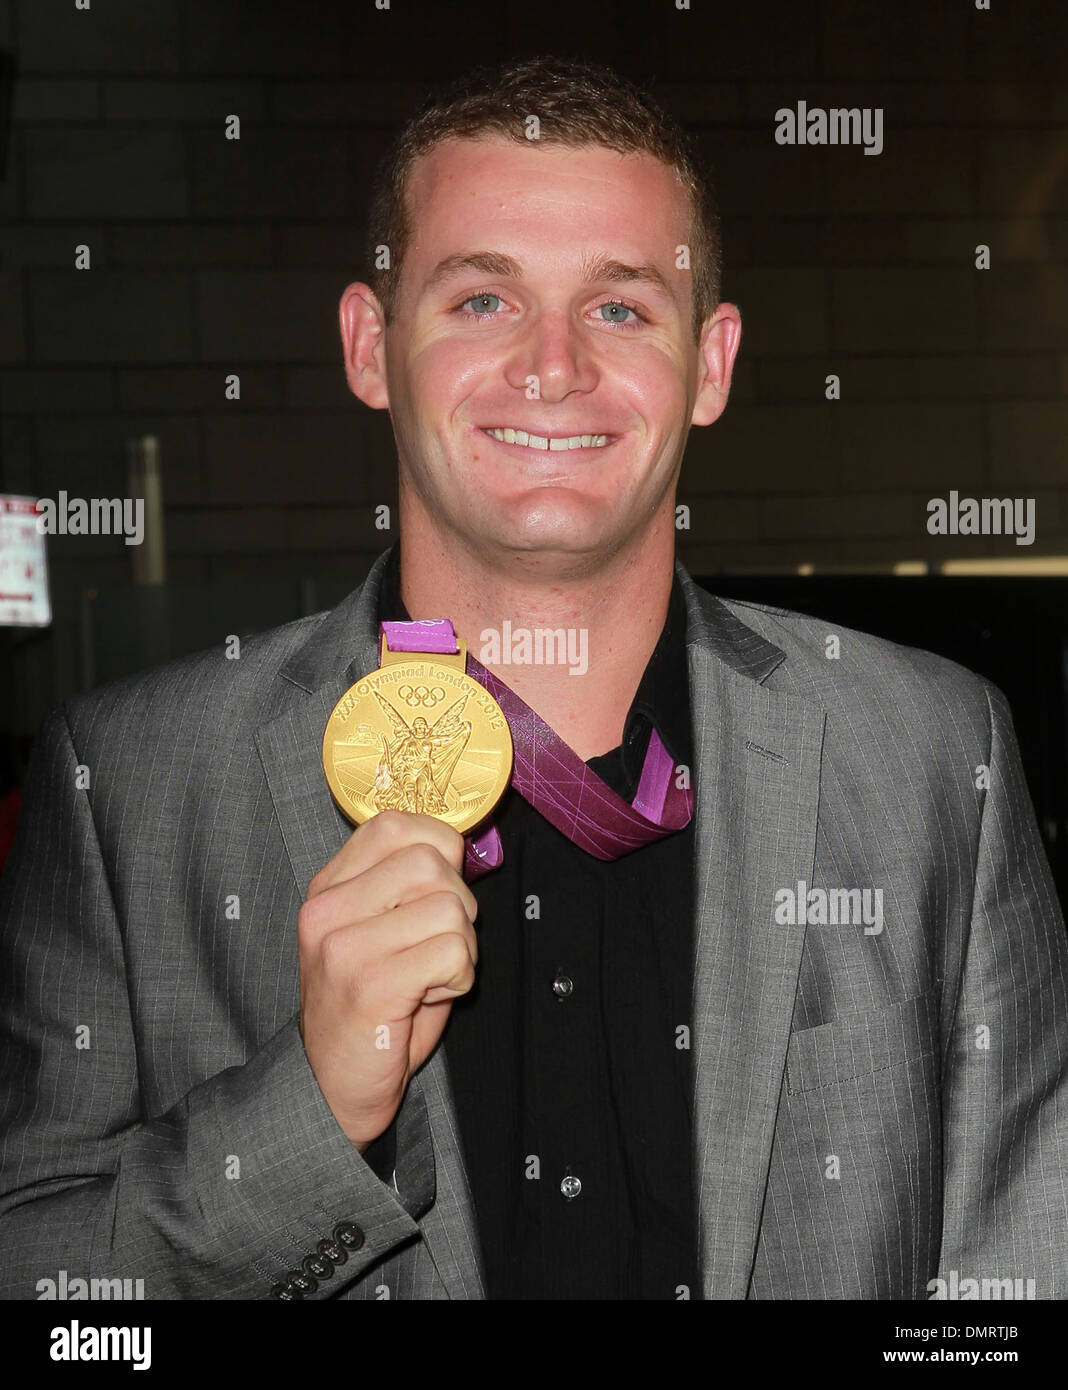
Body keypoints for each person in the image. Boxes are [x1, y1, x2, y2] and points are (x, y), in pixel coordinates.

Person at [1, 56, 1066, 1301]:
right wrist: (309, 1109)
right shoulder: (127, 783)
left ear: (711, 364)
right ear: (367, 345)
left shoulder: (935, 754)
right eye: (481, 301)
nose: (552, 367)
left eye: (620, 307)